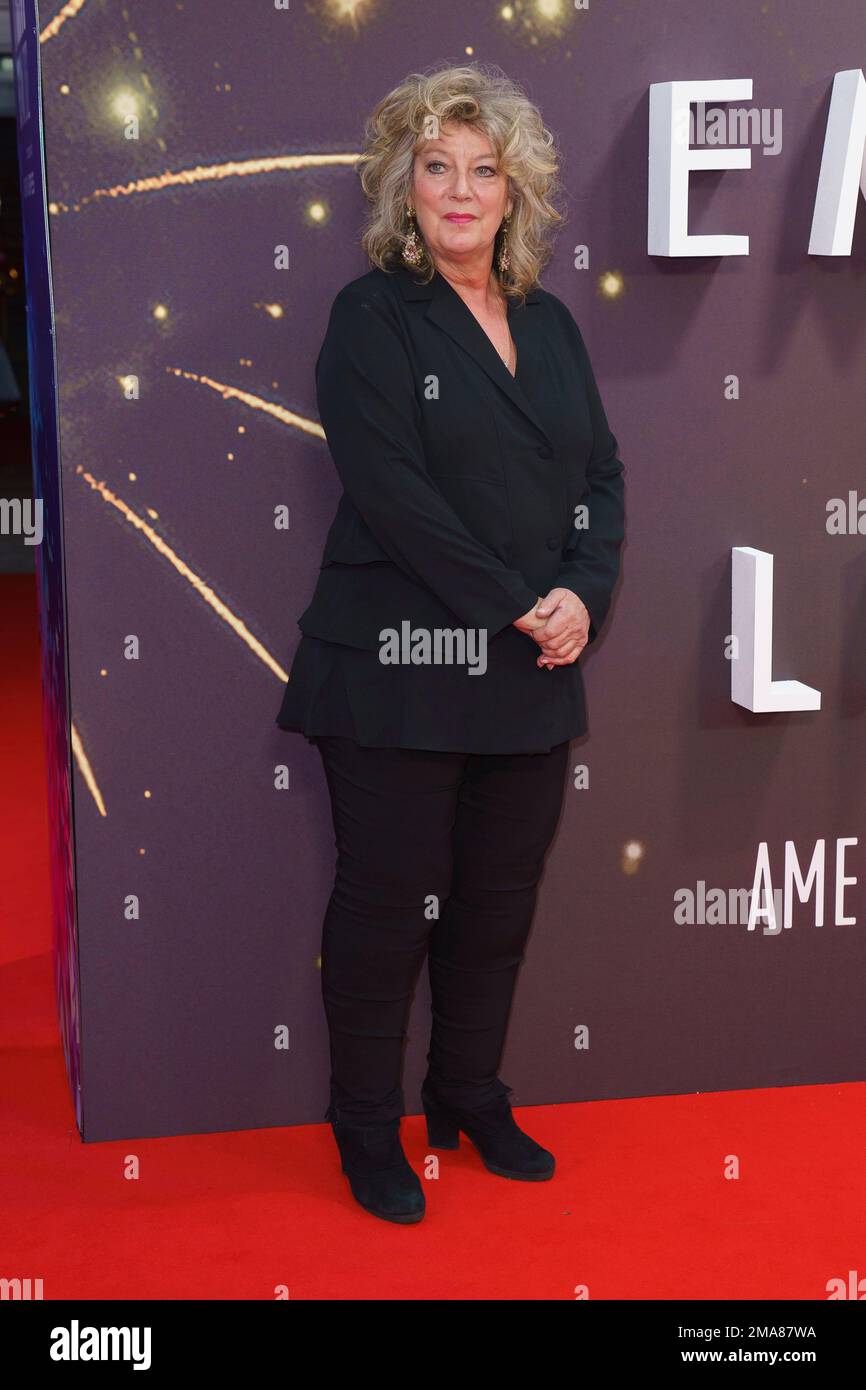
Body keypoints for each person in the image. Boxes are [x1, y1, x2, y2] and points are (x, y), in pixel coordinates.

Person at [276, 62, 625, 1224]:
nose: (461, 191)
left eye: (483, 171)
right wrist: (521, 602)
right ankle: (366, 1130)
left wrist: (582, 588)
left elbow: (600, 476)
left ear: (515, 190)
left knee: (495, 907)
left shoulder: (553, 324)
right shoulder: (370, 317)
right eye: (437, 169)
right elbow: (395, 496)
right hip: (395, 674)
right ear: (404, 188)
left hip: (525, 673)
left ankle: (468, 1095)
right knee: (387, 913)